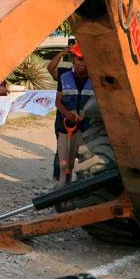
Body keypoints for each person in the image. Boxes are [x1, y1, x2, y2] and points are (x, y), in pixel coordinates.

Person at [55, 45, 94, 186]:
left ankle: (80, 191)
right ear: (73, 59)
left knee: (85, 164)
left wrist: (84, 114)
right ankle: (63, 189)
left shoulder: (95, 80)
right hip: (66, 126)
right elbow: (58, 102)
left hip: (86, 128)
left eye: (85, 60)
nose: (82, 63)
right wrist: (68, 114)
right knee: (65, 164)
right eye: (79, 59)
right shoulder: (64, 77)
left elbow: (98, 104)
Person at [46, 40, 75, 184]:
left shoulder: (88, 74)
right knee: (61, 151)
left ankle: (69, 179)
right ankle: (57, 179)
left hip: (80, 121)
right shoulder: (64, 73)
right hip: (62, 120)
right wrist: (62, 53)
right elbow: (50, 68)